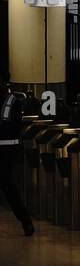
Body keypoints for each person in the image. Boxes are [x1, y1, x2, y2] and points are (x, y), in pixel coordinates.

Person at [0, 85, 34, 236]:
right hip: (6, 148)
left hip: (6, 151)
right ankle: (25, 221)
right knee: (8, 187)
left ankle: (26, 221)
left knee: (8, 187)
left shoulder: (13, 100)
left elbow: (15, 126)